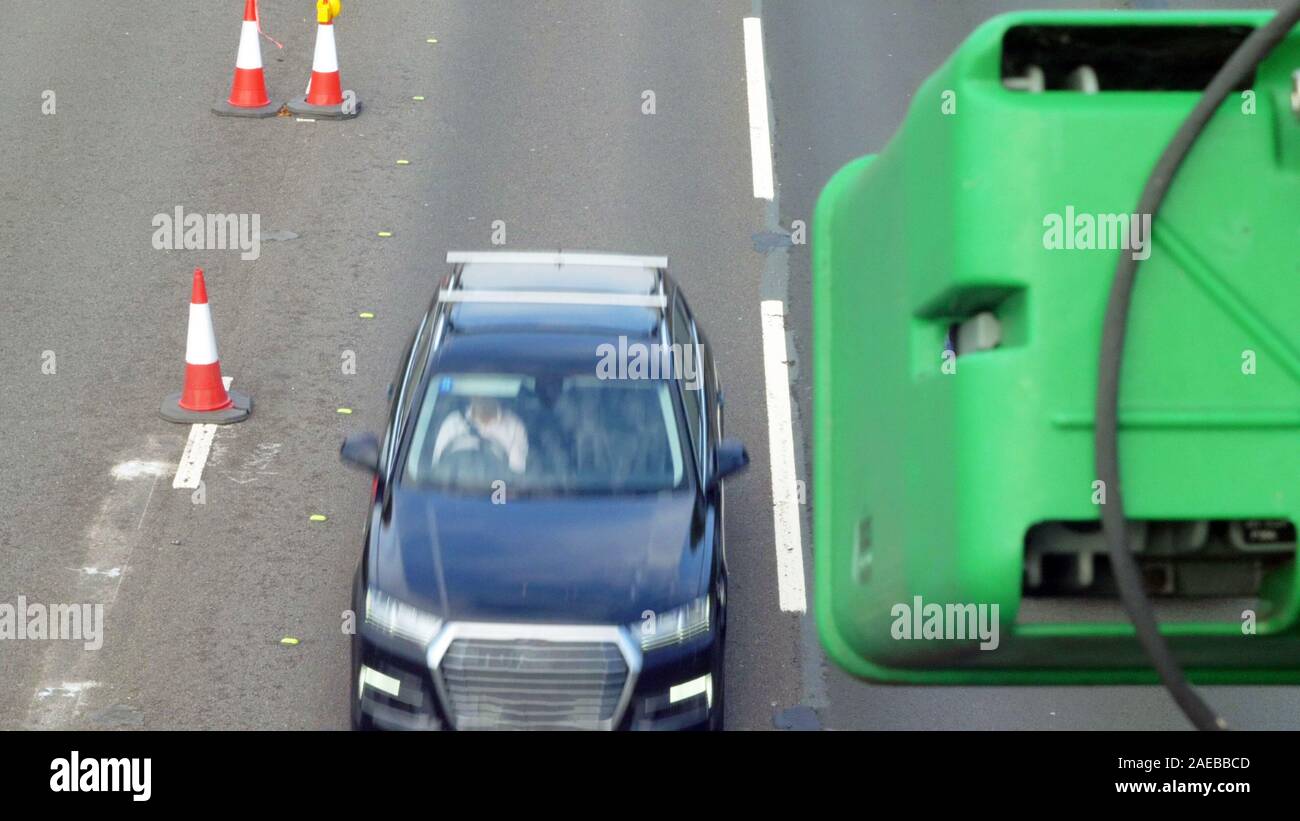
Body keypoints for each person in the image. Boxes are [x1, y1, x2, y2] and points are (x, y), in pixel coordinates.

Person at [432, 396, 529, 474]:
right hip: (453, 492)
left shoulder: (513, 426)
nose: (482, 398)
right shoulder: (453, 424)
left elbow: (516, 474)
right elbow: (438, 469)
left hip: (498, 493)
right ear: (471, 396)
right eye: (478, 394)